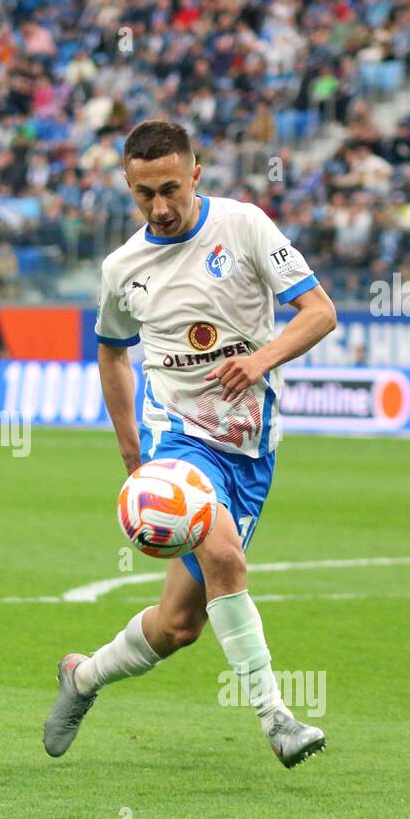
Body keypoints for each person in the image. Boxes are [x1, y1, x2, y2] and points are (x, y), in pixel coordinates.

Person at [43, 120, 339, 769]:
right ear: (128, 187)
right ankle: (277, 718)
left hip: (252, 449)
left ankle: (82, 676)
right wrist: (132, 452)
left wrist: (261, 360)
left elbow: (320, 311)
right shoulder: (122, 268)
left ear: (196, 173)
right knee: (226, 557)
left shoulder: (244, 227)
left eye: (171, 188)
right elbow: (111, 352)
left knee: (179, 626)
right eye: (144, 195)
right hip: (179, 443)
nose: (161, 206)